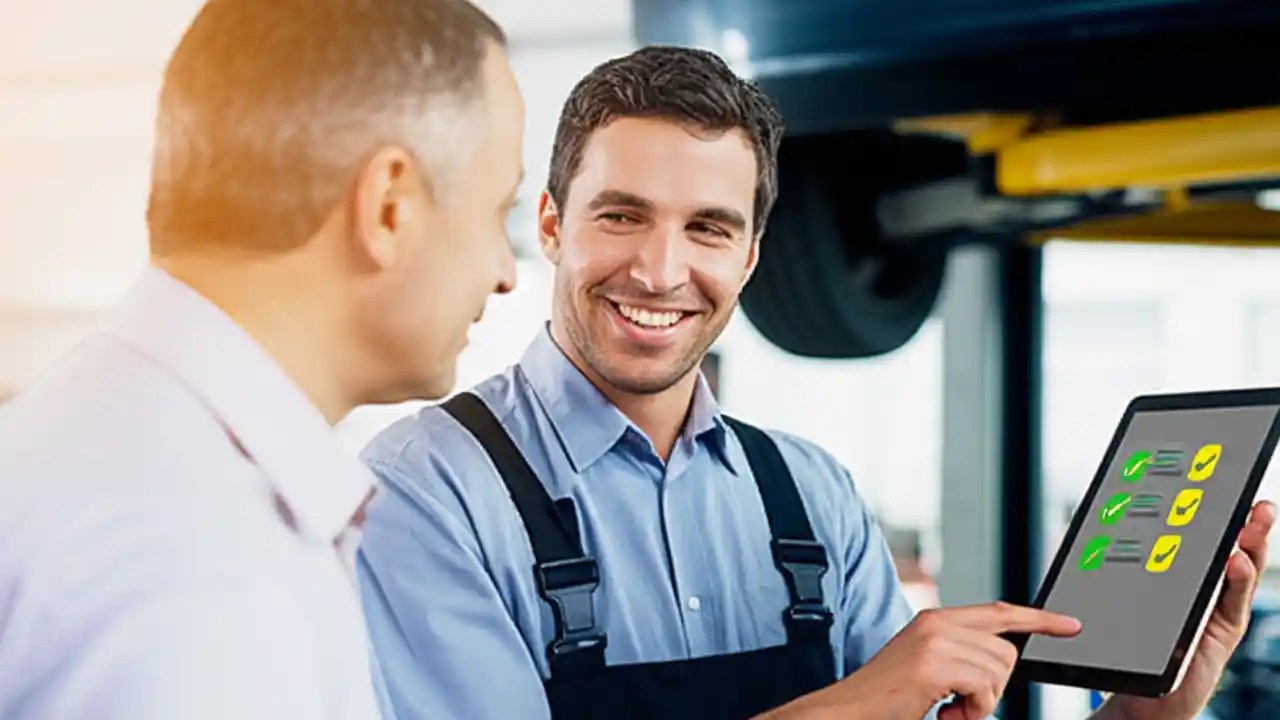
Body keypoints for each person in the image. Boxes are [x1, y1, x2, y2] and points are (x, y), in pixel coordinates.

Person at [355, 45, 1276, 720]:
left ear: (752, 256)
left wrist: (1155, 706)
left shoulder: (809, 494)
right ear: (552, 225)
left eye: (709, 229)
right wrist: (874, 694)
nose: (662, 269)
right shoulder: (425, 491)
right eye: (623, 216)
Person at [0, 0, 523, 717]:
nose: (506, 270)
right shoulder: (197, 567)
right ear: (389, 208)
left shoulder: (99, 434)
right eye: (499, 211)